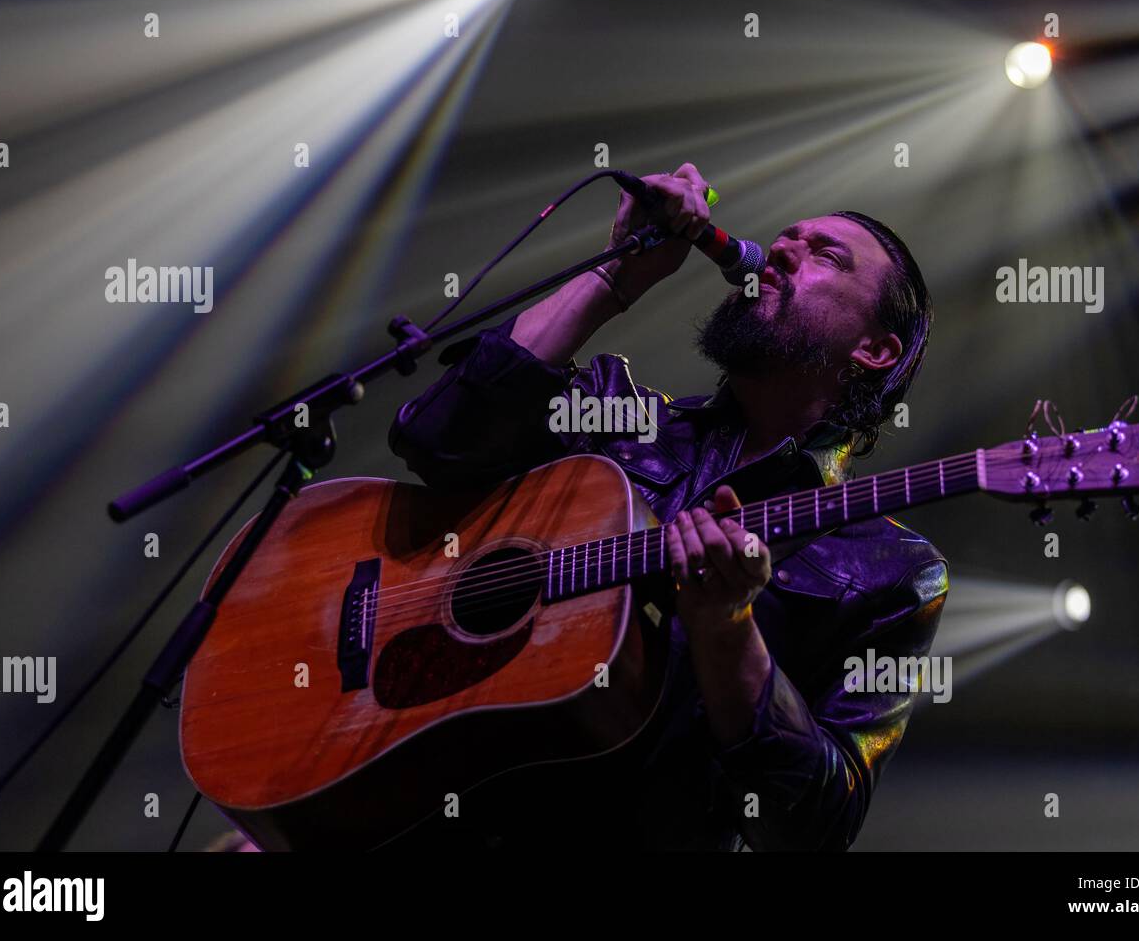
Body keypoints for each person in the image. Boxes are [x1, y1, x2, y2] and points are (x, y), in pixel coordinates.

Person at [387, 162, 948, 851]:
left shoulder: (892, 570)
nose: (779, 251)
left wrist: (726, 629)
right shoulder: (617, 418)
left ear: (875, 349)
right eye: (784, 239)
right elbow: (435, 438)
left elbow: (813, 824)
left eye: (823, 255)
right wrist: (616, 277)